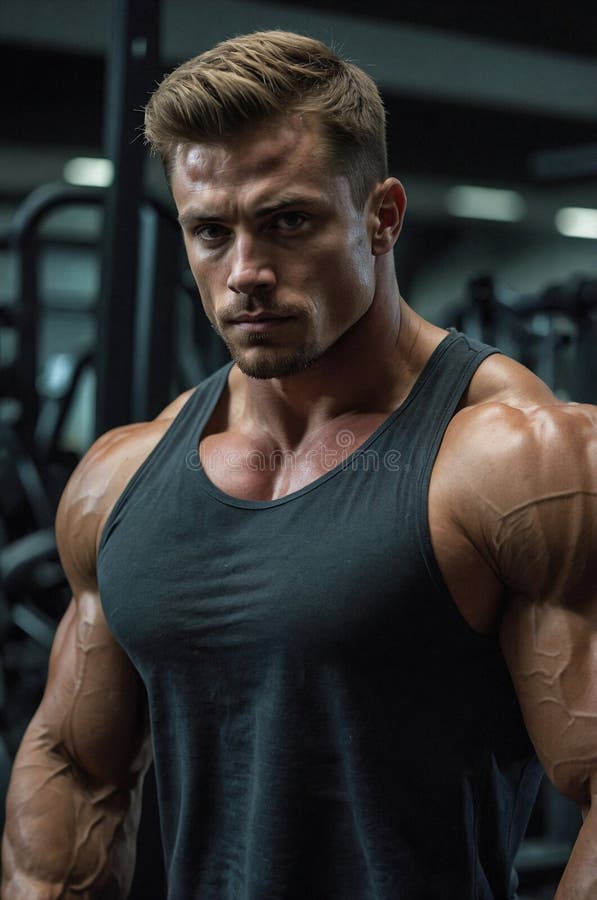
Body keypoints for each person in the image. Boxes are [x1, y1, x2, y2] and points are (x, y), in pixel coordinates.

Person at [2, 29, 596, 900]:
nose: (244, 272)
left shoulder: (519, 458)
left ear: (381, 216)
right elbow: (75, 765)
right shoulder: (122, 476)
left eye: (287, 222)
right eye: (211, 232)